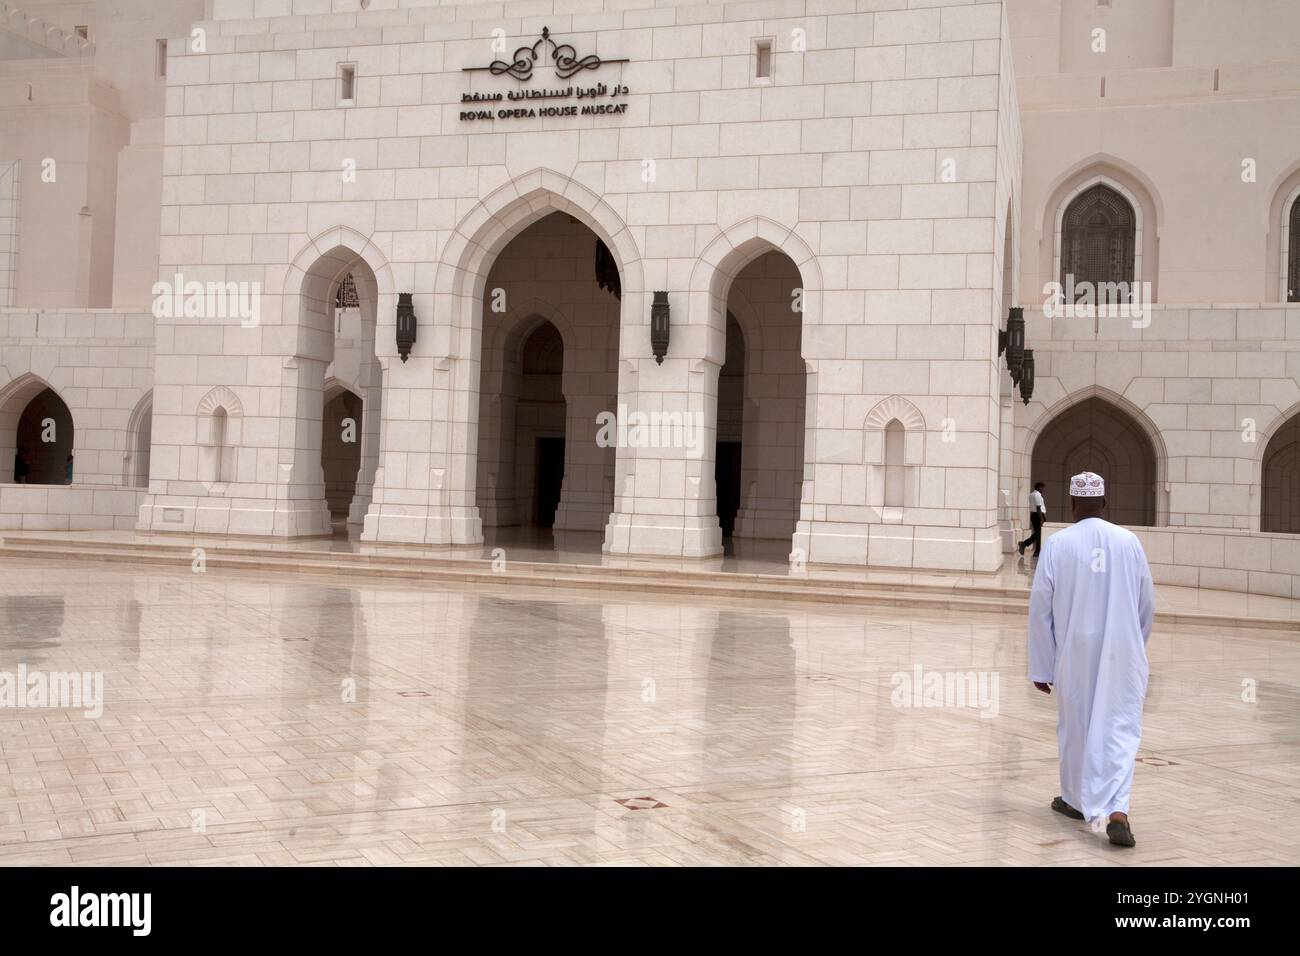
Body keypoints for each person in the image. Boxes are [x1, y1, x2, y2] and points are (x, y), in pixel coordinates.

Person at [1027, 471, 1155, 848]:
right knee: (1119, 727)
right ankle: (1117, 810)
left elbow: (1041, 610)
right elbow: (1146, 602)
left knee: (1076, 725)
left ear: (1071, 503)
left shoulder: (1057, 543)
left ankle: (1075, 801)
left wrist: (1042, 665)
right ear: (1105, 502)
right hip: (1122, 650)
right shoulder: (1128, 541)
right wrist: (1135, 644)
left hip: (1075, 651)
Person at [1018, 481, 1046, 557]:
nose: (1043, 489)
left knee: (1038, 534)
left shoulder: (1032, 494)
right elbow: (1038, 507)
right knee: (1039, 534)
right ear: (1038, 487)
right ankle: (1026, 545)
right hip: (1037, 515)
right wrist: (1042, 518)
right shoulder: (1037, 495)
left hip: (1034, 515)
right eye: (1042, 487)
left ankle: (1036, 550)